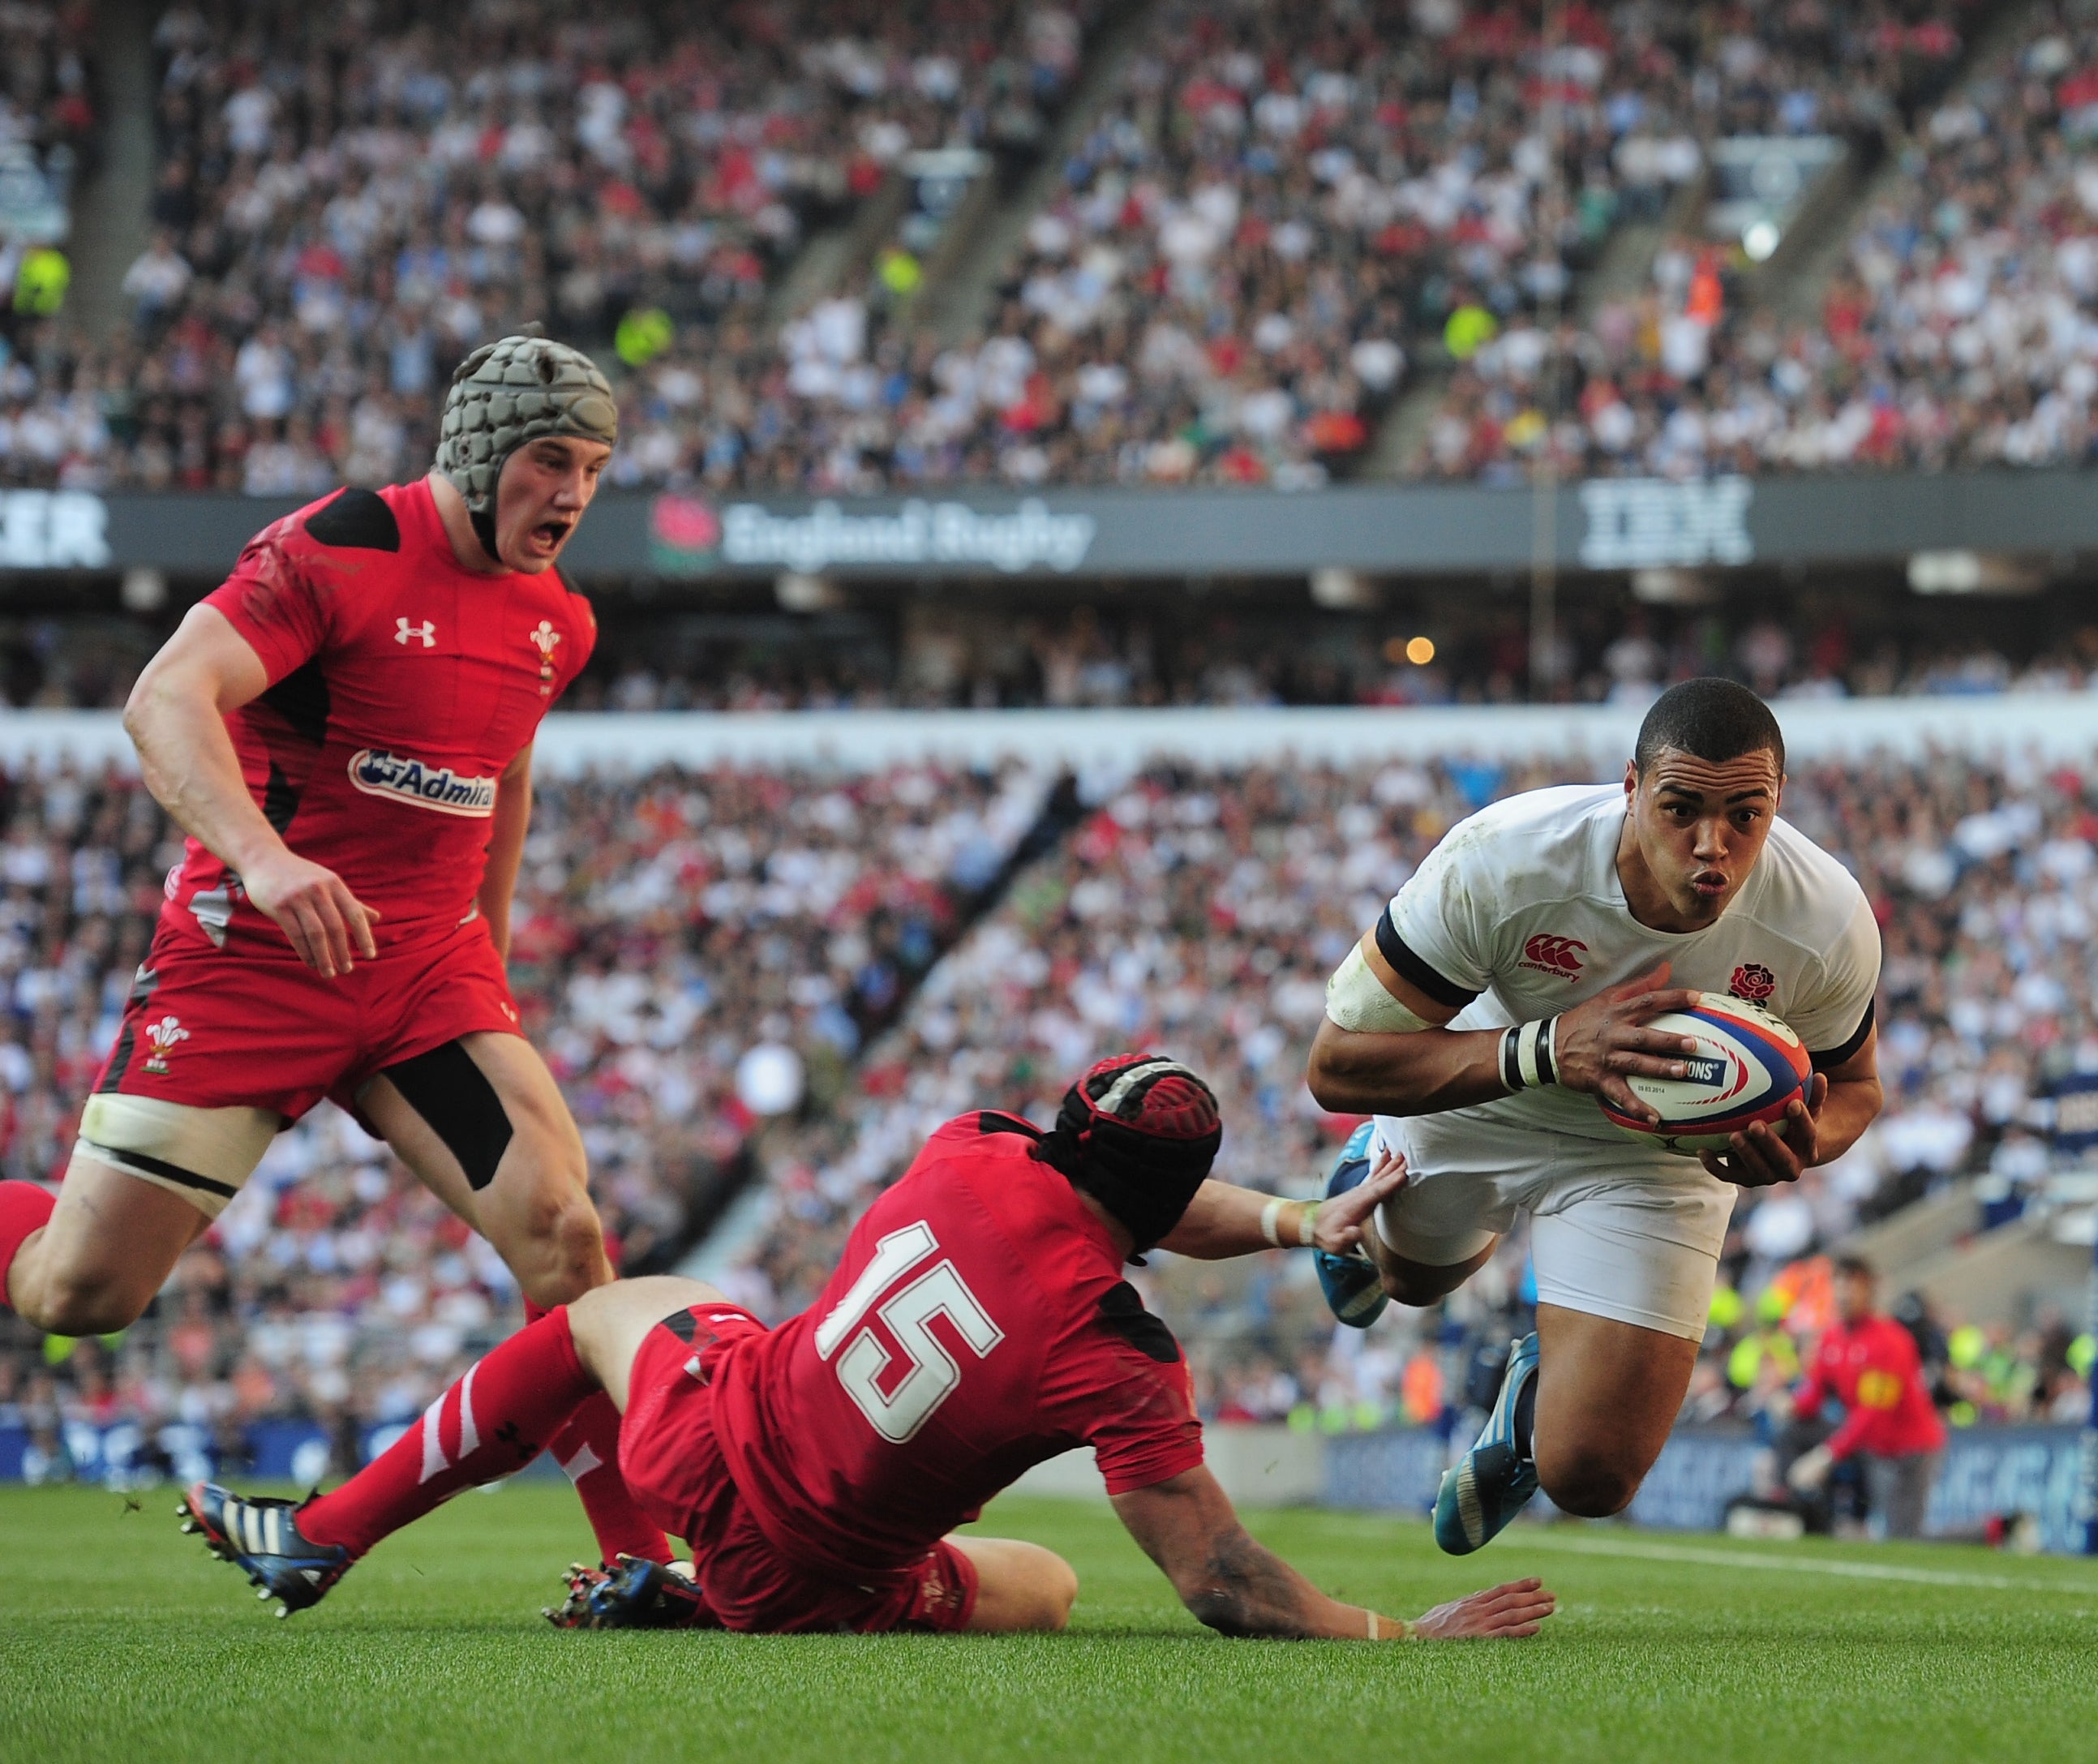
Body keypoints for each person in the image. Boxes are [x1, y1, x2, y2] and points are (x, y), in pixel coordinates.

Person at [0, 334, 678, 1568]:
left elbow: (502, 776)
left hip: (423, 970)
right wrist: (263, 858)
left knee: (563, 1230)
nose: (573, 495)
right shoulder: (340, 546)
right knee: (80, 1297)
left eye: (593, 467)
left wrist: (496, 961)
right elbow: (164, 699)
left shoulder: (558, 621)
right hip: (252, 961)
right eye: (547, 462)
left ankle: (639, 1559)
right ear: (479, 452)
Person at [184, 1055, 1554, 1644]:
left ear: (1066, 1131)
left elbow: (1121, 1195)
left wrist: (1291, 1217)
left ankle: (335, 1533)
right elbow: (1220, 1578)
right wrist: (1390, 1631)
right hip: (818, 1584)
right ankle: (669, 1584)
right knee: (1058, 1586)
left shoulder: (972, 1145)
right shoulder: (1116, 1349)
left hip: (711, 1432)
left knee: (600, 1310)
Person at [1304, 678, 1886, 1553]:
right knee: (1415, 1282)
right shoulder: (1502, 859)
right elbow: (1335, 1064)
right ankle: (1371, 1163)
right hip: (1488, 1085)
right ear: (1631, 788)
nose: (1710, 847)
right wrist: (1544, 1049)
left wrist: (1803, 1144)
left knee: (1592, 1479)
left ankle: (1528, 1403)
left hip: (1653, 1153)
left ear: (1778, 806)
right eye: (1681, 808)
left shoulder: (1826, 917)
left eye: (1744, 817)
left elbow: (1858, 1090)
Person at [1784, 1255, 1944, 1540]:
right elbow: (1814, 1395)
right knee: (1793, 1431)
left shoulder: (1890, 1342)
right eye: (1839, 1283)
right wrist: (1789, 1405)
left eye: (1852, 1285)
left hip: (1910, 1449)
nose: (1844, 1293)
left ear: (1869, 1291)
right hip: (1873, 1448)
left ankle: (1993, 1530)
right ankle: (1795, 1507)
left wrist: (1826, 1456)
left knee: (1904, 1538)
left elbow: (1874, 1412)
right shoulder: (1832, 1338)